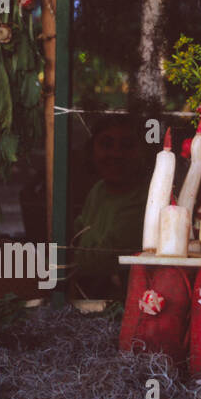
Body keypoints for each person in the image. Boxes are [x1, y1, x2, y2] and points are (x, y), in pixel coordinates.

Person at [69, 114, 147, 301]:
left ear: (142, 152)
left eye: (127, 146)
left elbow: (103, 262)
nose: (116, 154)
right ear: (92, 150)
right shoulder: (99, 190)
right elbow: (76, 238)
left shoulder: (145, 199)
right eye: (106, 144)